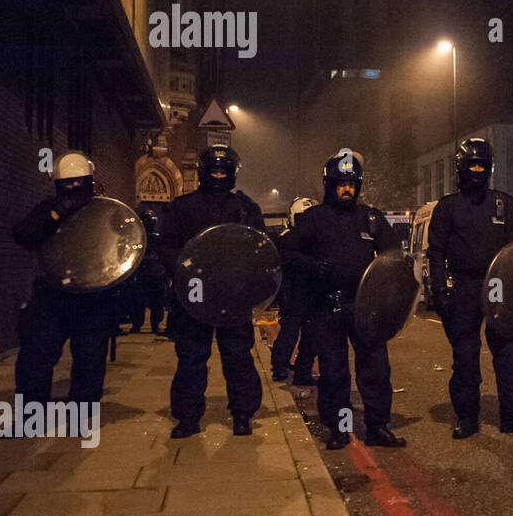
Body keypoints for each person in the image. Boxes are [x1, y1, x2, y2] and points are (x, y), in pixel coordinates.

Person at [279, 152, 406, 449]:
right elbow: (286, 252)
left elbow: (393, 255)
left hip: (365, 306)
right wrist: (311, 265)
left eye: (352, 183)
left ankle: (377, 427)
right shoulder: (314, 219)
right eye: (341, 183)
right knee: (334, 372)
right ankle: (338, 429)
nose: (347, 189)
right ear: (329, 184)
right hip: (327, 306)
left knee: (375, 369)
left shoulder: (371, 218)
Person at [427, 138, 513, 438]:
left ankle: (512, 418)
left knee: (509, 353)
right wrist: (439, 288)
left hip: (499, 286)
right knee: (465, 355)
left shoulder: (504, 204)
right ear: (461, 168)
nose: (477, 170)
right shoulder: (447, 207)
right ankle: (466, 418)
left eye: (482, 165)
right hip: (464, 286)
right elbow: (435, 251)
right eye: (471, 165)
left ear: (489, 168)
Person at [159, 145, 265, 438]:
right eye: (214, 170)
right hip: (194, 293)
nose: (218, 175)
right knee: (191, 357)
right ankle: (188, 417)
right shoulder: (182, 207)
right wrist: (185, 267)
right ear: (205, 172)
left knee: (238, 356)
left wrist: (250, 282)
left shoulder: (246, 209)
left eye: (223, 171)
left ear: (231, 174)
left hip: (233, 296)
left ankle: (243, 414)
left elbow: (260, 250)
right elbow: (166, 247)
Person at [11, 152, 115, 407]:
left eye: (80, 182)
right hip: (52, 295)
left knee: (89, 360)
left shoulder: (103, 211)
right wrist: (56, 213)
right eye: (68, 183)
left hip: (92, 296)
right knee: (35, 357)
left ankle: (82, 410)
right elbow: (25, 234)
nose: (75, 188)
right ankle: (31, 412)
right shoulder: (48, 208)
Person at [270, 197, 318, 385]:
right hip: (294, 290)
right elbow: (286, 259)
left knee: (311, 334)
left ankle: (302, 369)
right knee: (290, 332)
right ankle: (280, 367)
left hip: (312, 290)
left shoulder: (317, 239)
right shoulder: (287, 238)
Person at [128, 208, 168, 334]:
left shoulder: (156, 239)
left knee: (155, 303)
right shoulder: (136, 238)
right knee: (139, 302)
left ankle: (152, 325)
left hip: (154, 274)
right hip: (143, 274)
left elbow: (164, 255)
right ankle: (138, 325)